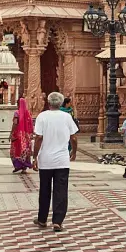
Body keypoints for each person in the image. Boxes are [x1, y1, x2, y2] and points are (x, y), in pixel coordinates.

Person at [31, 92, 78, 232]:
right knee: (61, 190)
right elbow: (73, 138)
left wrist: (35, 157)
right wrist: (74, 152)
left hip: (46, 160)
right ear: (61, 102)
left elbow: (38, 137)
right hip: (62, 160)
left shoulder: (42, 116)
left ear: (48, 102)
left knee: (45, 190)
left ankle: (42, 219)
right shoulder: (67, 117)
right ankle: (57, 221)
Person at [10, 96, 34, 173]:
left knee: (15, 150)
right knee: (25, 150)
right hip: (26, 136)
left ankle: (18, 165)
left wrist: (11, 133)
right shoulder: (28, 113)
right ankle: (24, 167)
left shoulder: (17, 113)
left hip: (18, 135)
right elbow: (30, 124)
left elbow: (15, 124)